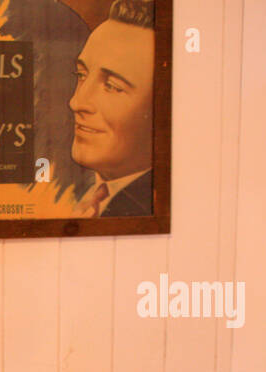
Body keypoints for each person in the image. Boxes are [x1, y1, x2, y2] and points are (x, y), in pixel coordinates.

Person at [68, 0, 155, 217]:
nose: (76, 102)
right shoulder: (81, 195)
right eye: (81, 75)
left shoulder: (146, 208)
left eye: (112, 86)